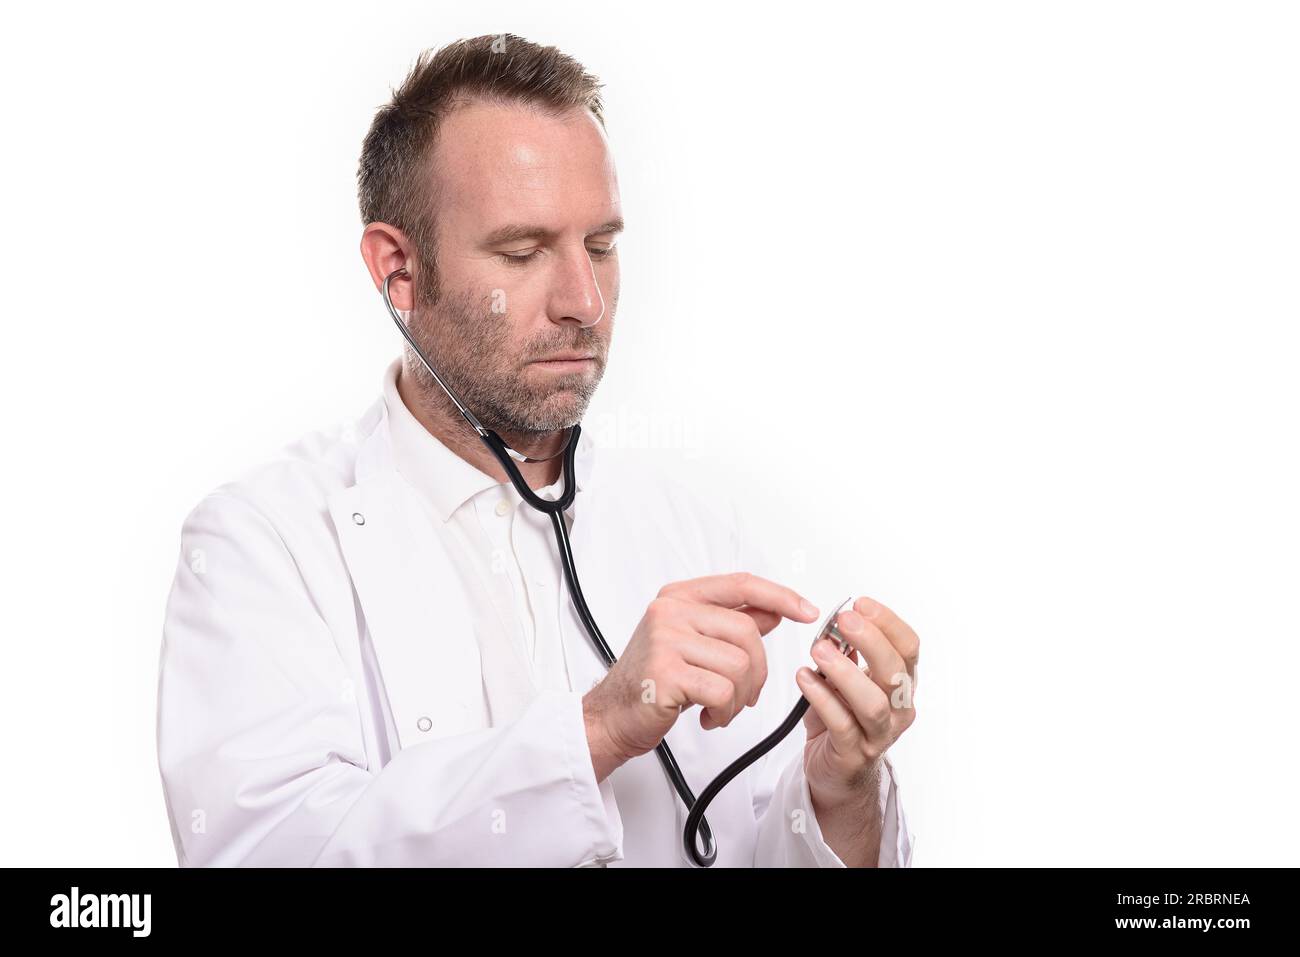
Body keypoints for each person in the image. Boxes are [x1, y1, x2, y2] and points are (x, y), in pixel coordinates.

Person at [156, 33, 918, 868]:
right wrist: (599, 727)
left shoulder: (698, 530)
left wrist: (840, 790)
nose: (584, 301)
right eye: (522, 252)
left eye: (601, 245)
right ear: (398, 272)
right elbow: (266, 853)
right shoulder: (261, 545)